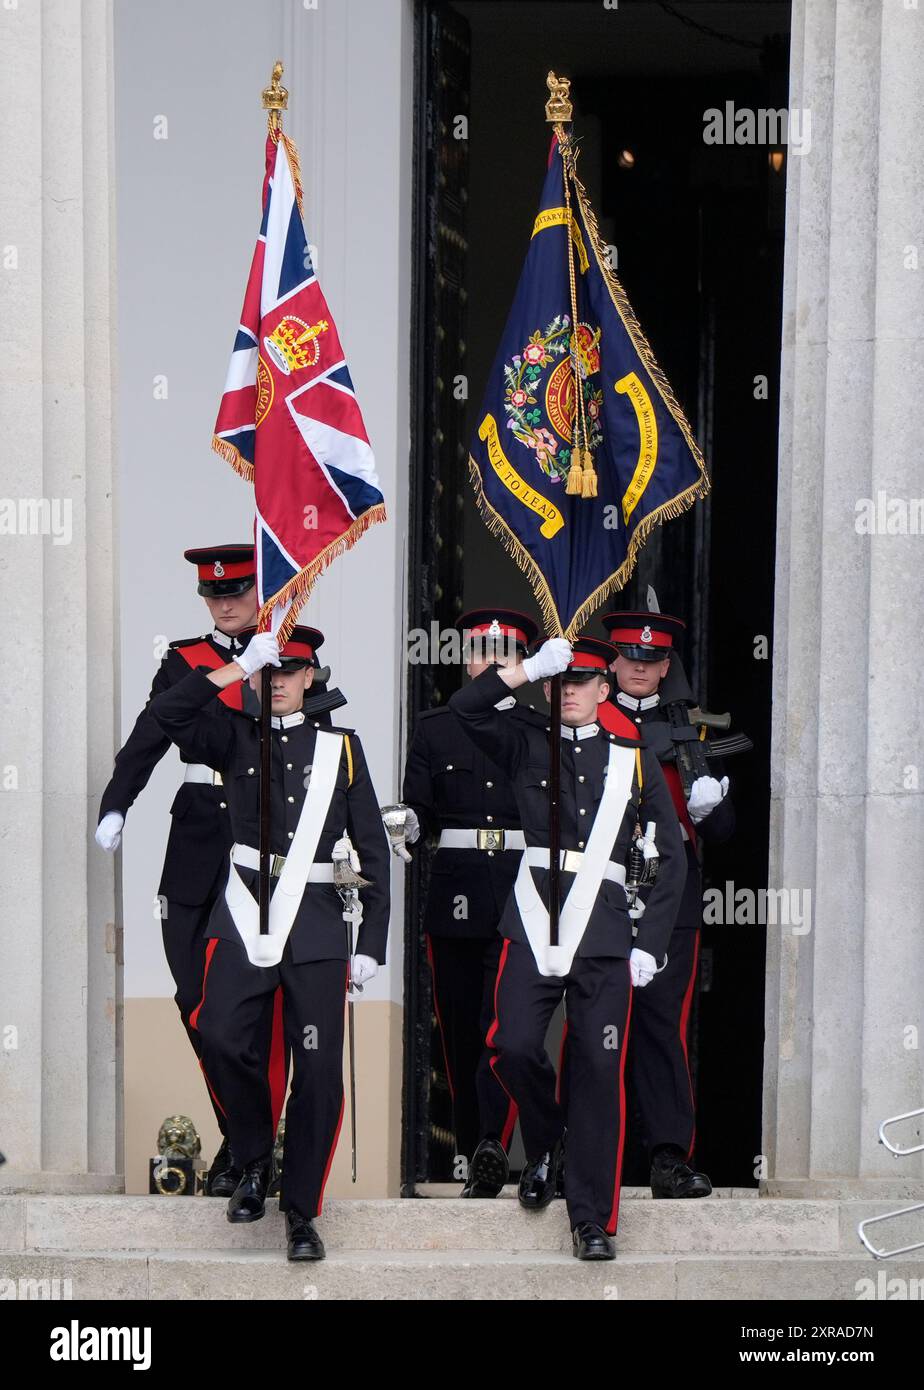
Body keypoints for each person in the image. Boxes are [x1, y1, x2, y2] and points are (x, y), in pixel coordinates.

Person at [147, 625, 390, 1261]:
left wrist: (373, 940)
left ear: (310, 676)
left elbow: (374, 850)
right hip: (244, 911)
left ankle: (302, 1211)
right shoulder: (231, 735)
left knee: (316, 1073)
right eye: (268, 670)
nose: (278, 680)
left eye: (290, 670)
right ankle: (254, 1157)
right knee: (222, 1034)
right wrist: (231, 672)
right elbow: (165, 713)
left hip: (315, 924)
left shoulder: (344, 749)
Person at [448, 634, 684, 1258]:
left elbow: (674, 860)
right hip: (531, 922)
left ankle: (592, 1221)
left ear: (604, 691)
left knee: (600, 1071)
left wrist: (649, 943)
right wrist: (525, 670)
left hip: (605, 934)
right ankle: (548, 1136)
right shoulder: (525, 738)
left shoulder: (632, 758)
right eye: (562, 682)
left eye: (581, 682)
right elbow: (465, 708)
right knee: (512, 1044)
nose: (570, 692)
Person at [95, 544, 285, 1196]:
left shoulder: (289, 655)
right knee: (195, 1004)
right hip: (199, 842)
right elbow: (162, 735)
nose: (226, 602)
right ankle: (243, 1134)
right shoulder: (182, 660)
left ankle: (250, 1149)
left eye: (237, 591)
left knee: (249, 1014)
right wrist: (117, 802)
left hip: (262, 845)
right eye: (215, 595)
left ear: (260, 591)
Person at [400, 608, 540, 1197]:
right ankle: (467, 1148)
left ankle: (493, 1145)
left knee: (502, 1025)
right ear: (464, 659)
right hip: (456, 887)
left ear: (523, 664)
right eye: (480, 651)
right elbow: (421, 808)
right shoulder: (435, 726)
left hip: (520, 886)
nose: (489, 662)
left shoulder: (541, 725)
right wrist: (407, 822)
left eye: (504, 653)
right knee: (458, 1030)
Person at [599, 610, 736, 1199]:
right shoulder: (585, 714)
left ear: (665, 667)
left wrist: (709, 809)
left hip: (667, 893)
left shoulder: (692, 729)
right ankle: (577, 1150)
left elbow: (727, 830)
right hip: (597, 889)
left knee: (660, 1024)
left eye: (652, 660)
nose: (640, 667)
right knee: (590, 1023)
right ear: (612, 660)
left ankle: (666, 1155)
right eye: (630, 656)